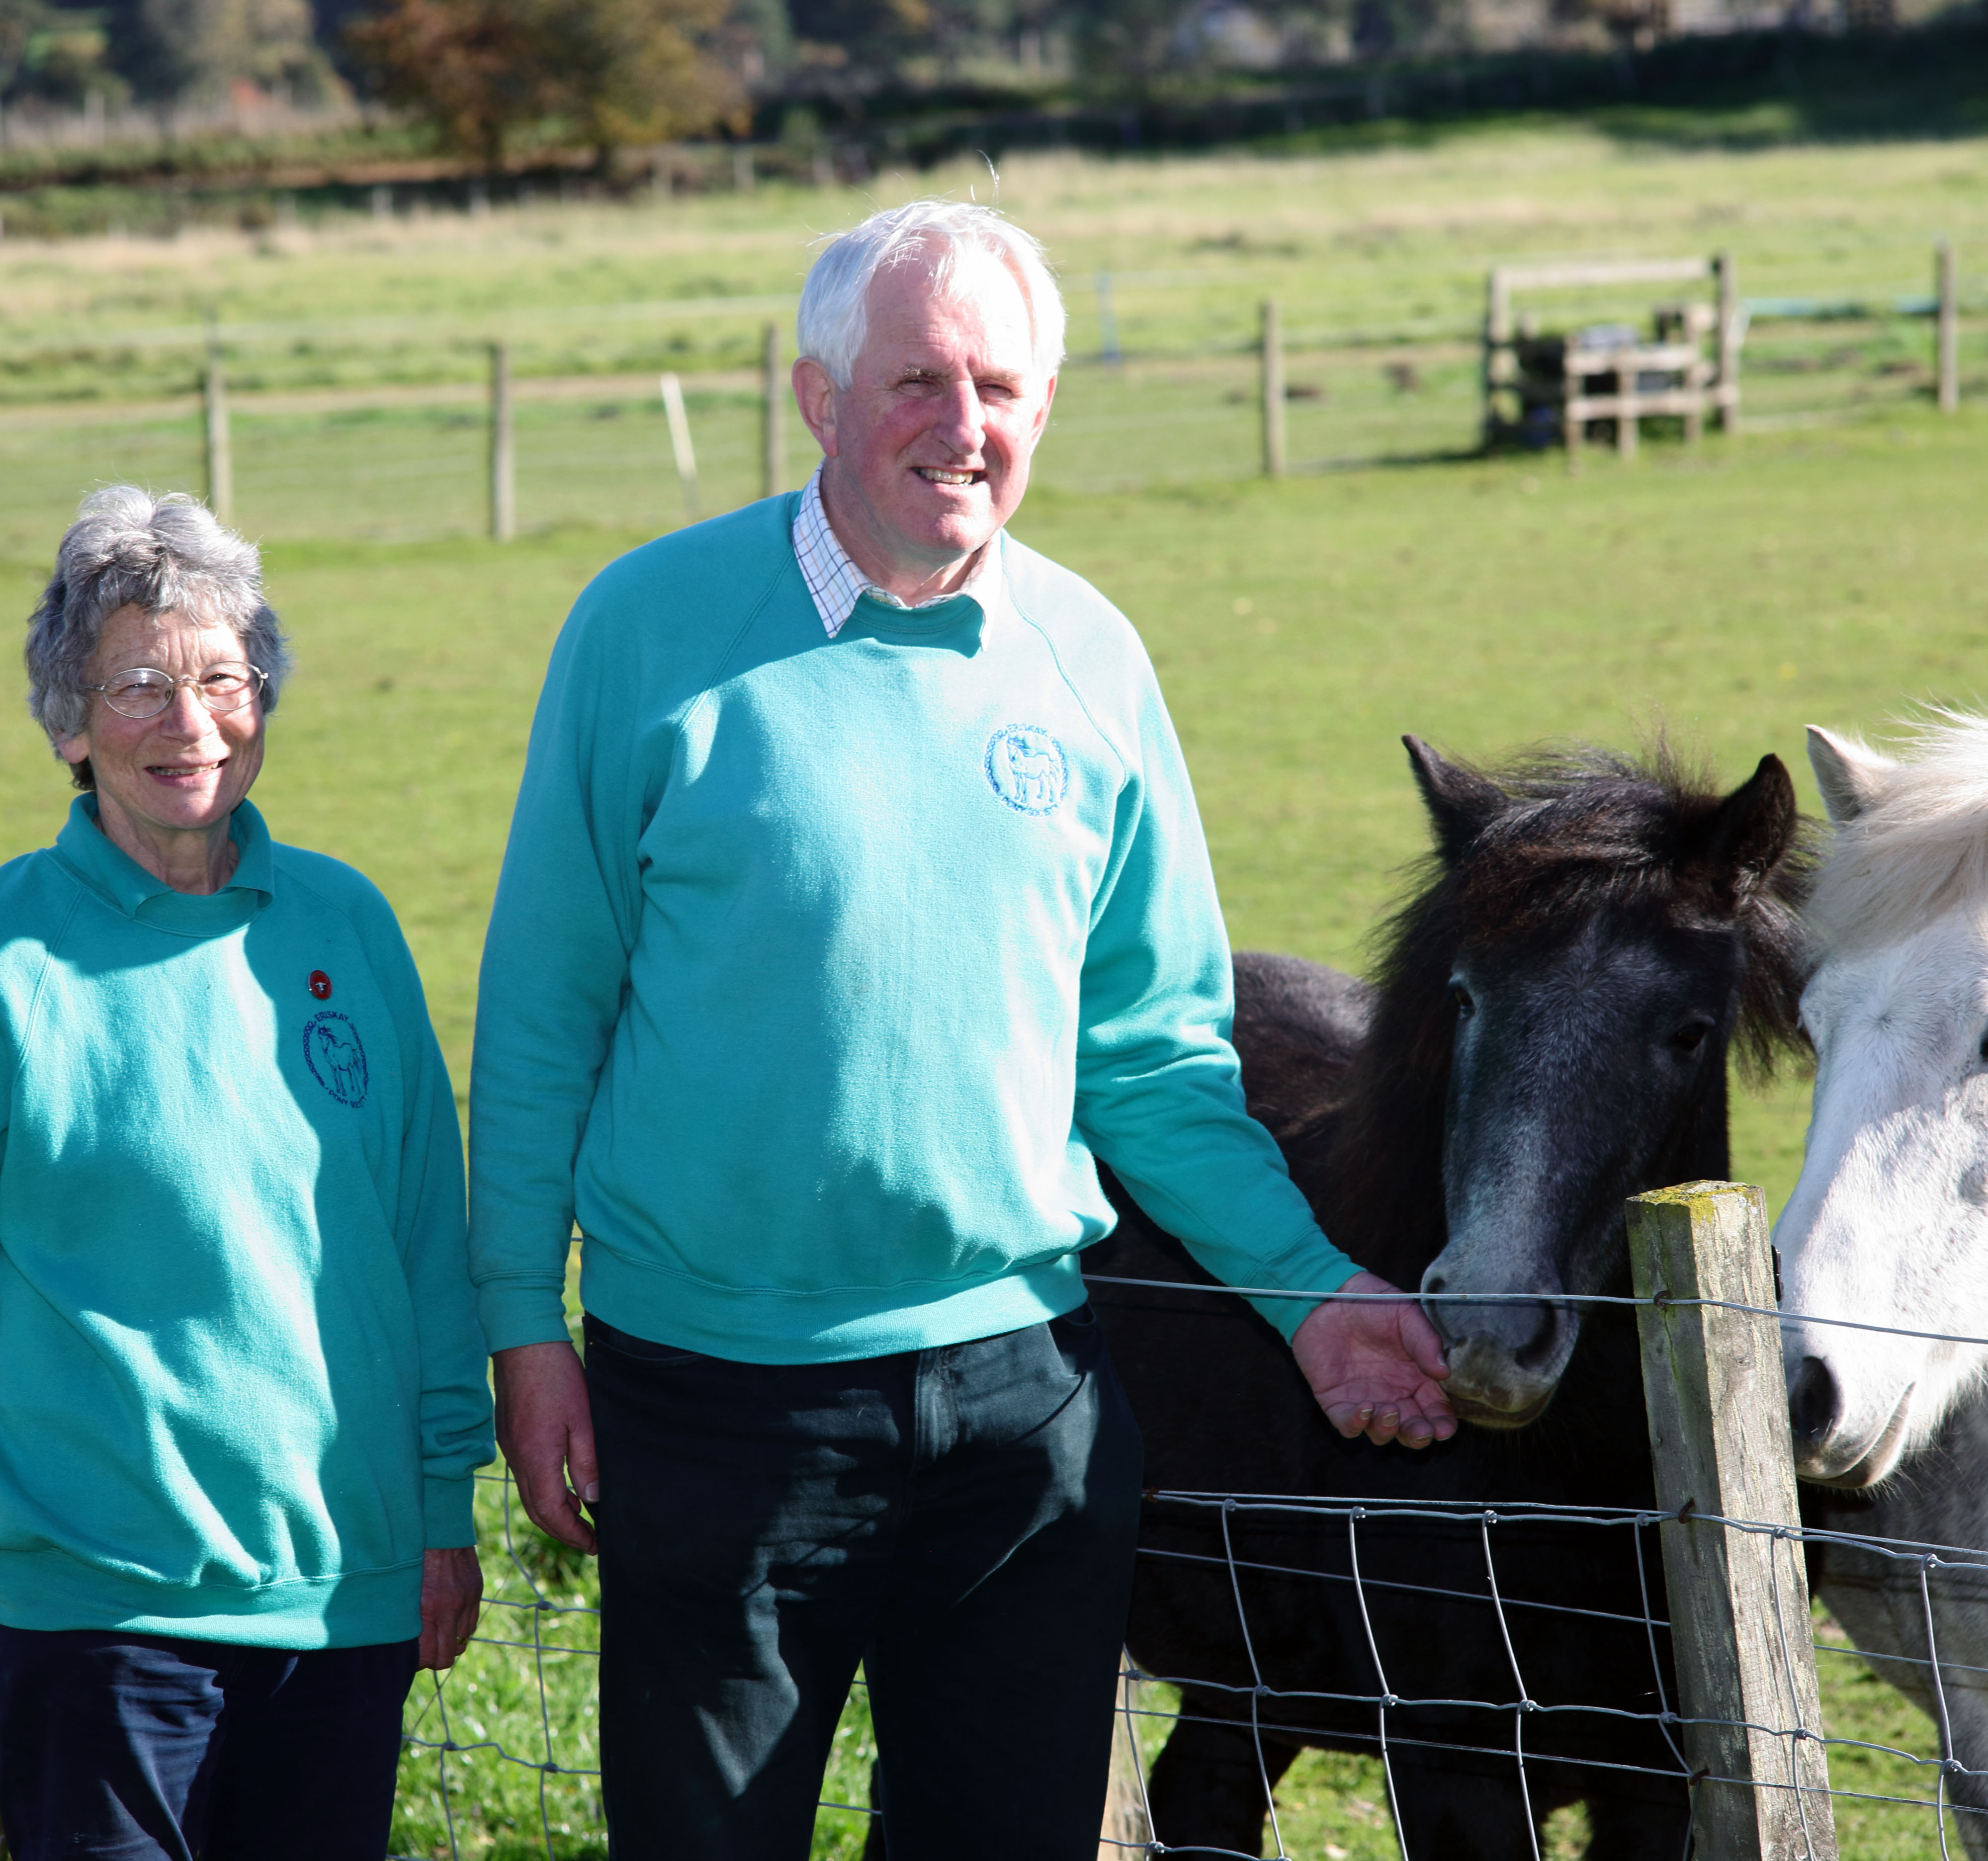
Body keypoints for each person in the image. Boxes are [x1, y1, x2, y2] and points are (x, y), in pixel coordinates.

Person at [468, 200, 1460, 1857]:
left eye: (999, 385)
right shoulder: (648, 632)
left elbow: (1150, 1054)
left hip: (1023, 1406)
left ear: (1047, 409)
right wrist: (522, 1325)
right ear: (818, 396)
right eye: (916, 380)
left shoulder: (1089, 658)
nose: (963, 425)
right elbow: (544, 1014)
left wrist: (1315, 1297)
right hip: (717, 1402)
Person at [0, 487, 493, 1861]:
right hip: (98, 1616)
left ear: (264, 700)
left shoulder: (348, 924)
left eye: (221, 676)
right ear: (70, 724)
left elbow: (430, 1242)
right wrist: (14, 1506)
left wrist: (439, 1507)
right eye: (137, 683)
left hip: (346, 1597)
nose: (188, 722)